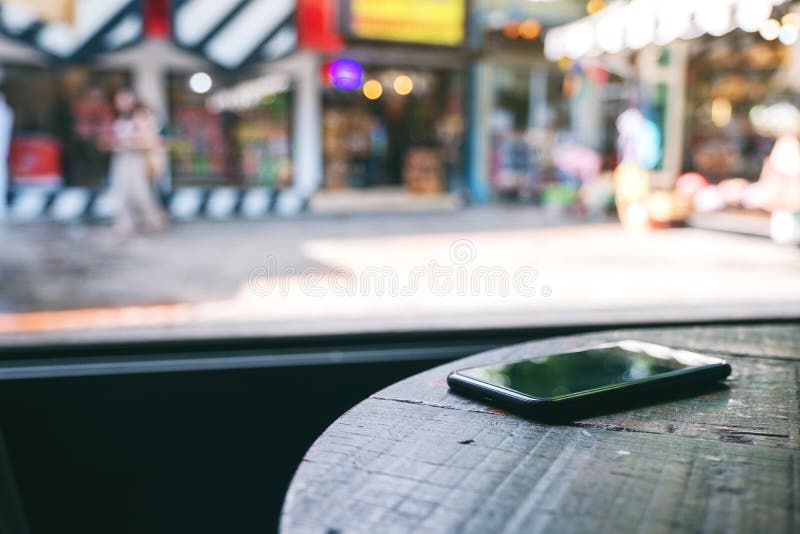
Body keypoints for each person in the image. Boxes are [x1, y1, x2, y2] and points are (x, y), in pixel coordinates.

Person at [108, 88, 168, 238]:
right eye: (120, 99)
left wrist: (130, 142)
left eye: (125, 99)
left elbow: (152, 140)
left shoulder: (141, 116)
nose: (122, 103)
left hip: (137, 159)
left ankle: (153, 219)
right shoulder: (119, 117)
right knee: (121, 193)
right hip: (121, 158)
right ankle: (125, 225)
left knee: (142, 193)